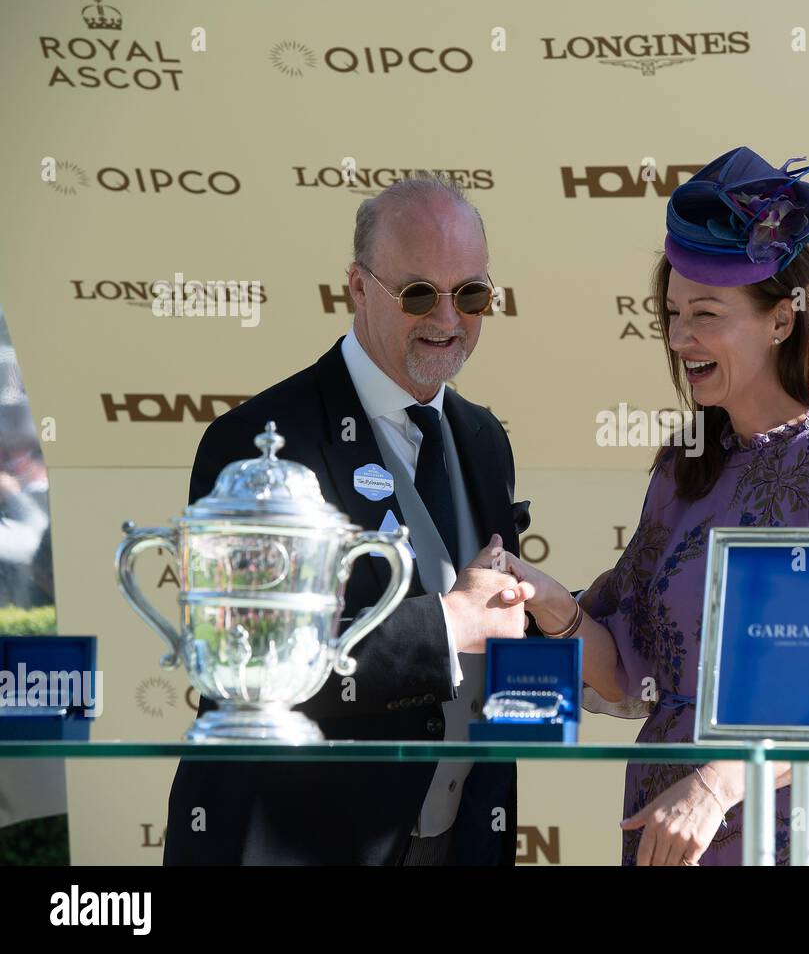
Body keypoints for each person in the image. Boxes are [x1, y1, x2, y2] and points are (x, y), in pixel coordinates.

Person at [498, 146, 809, 865]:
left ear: (782, 321)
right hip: (663, 834)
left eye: (706, 314)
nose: (679, 336)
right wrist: (549, 603)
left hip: (782, 839)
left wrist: (714, 787)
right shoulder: (683, 466)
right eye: (671, 313)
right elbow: (627, 672)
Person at [164, 175, 536, 865]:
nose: (448, 318)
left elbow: (497, 640)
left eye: (473, 294)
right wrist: (451, 624)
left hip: (455, 842)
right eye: (419, 293)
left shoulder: (483, 438)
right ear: (357, 288)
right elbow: (246, 669)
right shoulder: (262, 440)